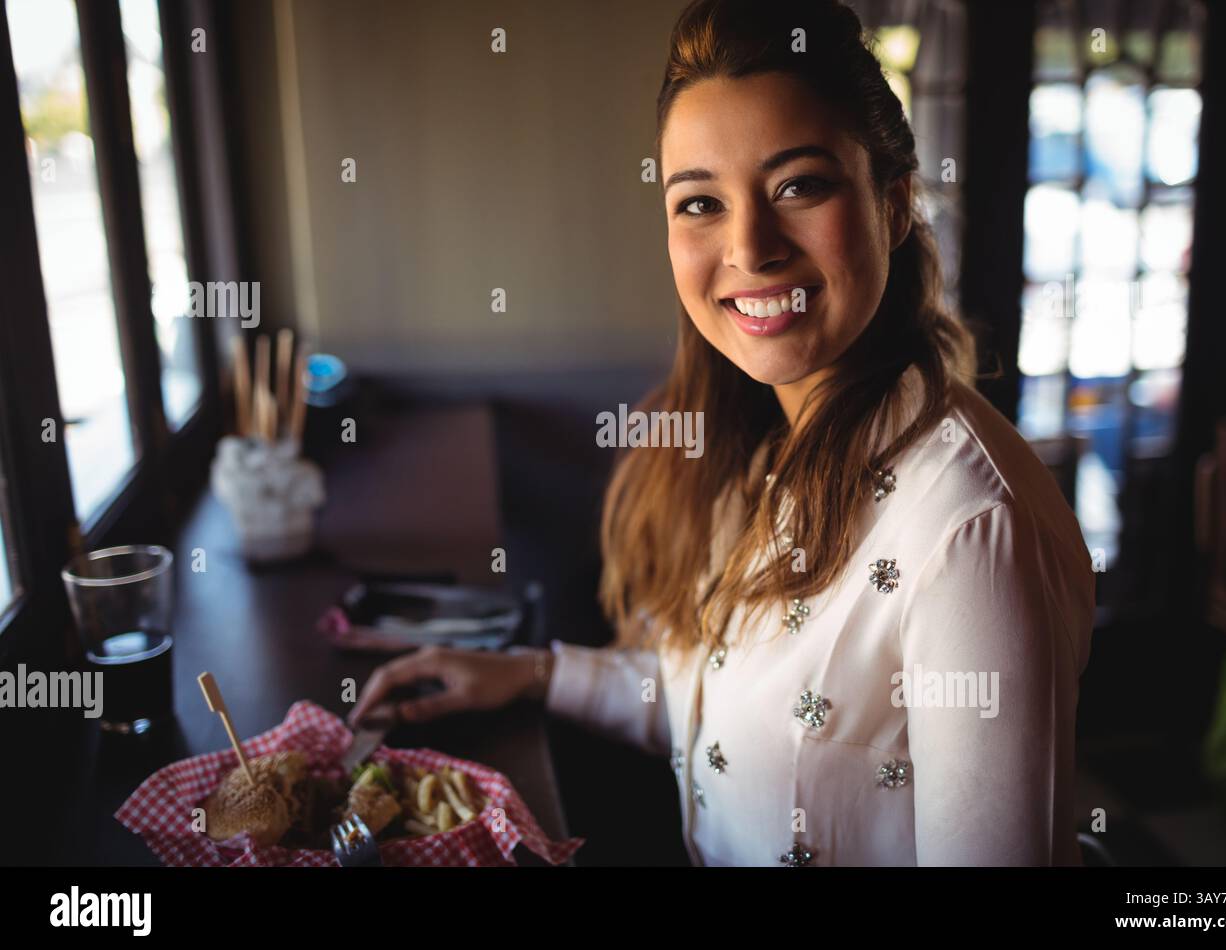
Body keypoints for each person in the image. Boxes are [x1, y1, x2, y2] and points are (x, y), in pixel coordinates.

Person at [349, 0, 1095, 866]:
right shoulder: (757, 443)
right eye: (700, 202)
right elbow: (722, 705)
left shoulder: (970, 535)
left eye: (798, 186)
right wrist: (536, 672)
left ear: (892, 207)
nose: (750, 246)